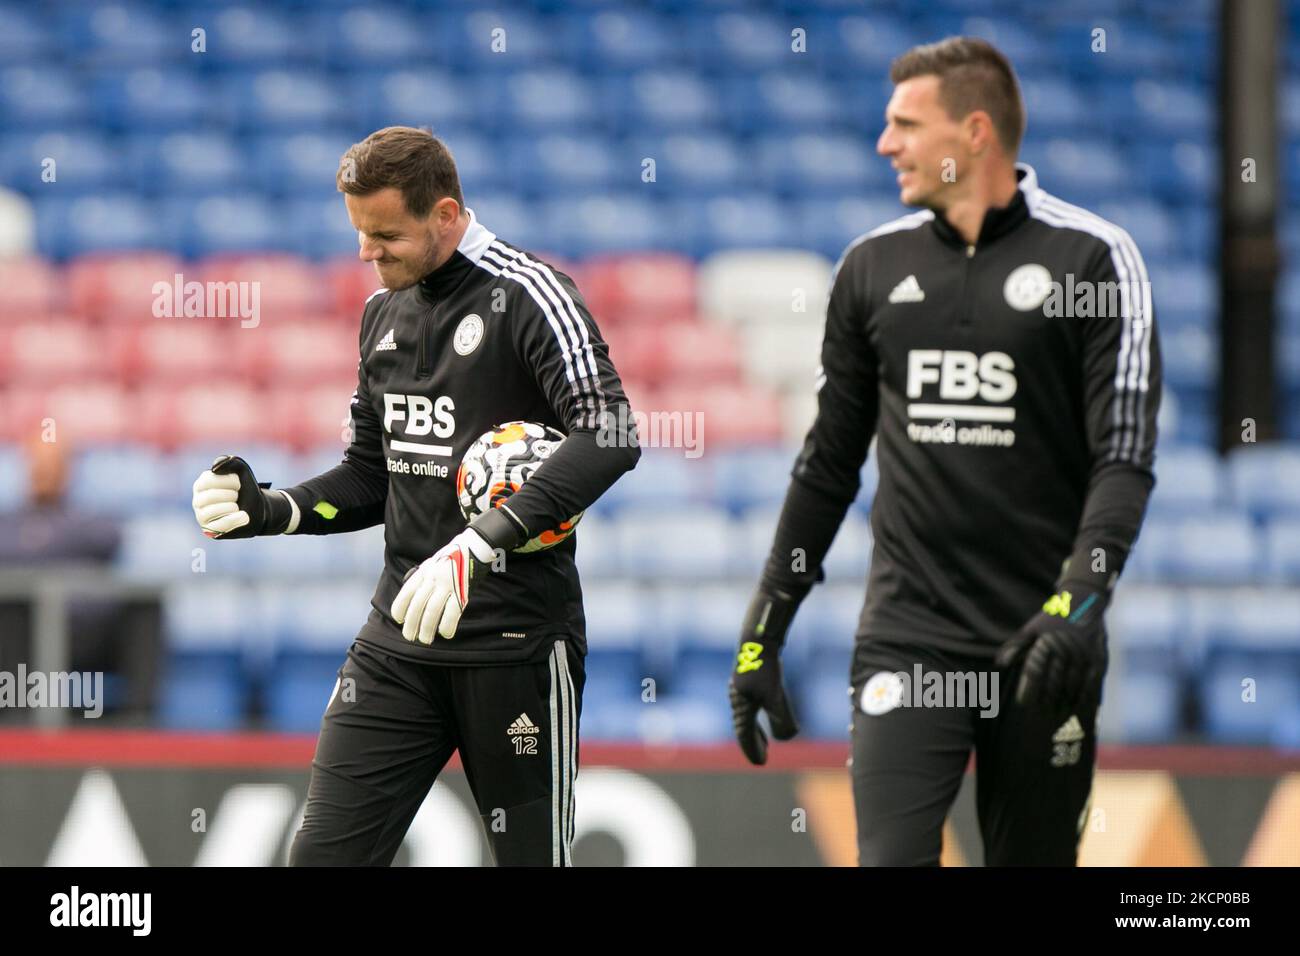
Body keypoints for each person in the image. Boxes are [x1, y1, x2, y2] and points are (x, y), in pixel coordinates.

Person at [728, 37, 1161, 866]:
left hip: (1043, 639)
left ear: (974, 133)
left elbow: (1125, 457)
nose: (885, 143)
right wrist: (763, 633)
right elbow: (826, 466)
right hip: (907, 640)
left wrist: (1077, 606)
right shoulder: (871, 266)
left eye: (904, 124)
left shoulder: (1095, 261)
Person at [191, 127, 639, 866]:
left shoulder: (530, 295)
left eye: (386, 235)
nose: (368, 254)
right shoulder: (382, 316)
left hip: (514, 646)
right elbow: (373, 476)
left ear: (447, 214)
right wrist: (273, 508)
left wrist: (484, 538)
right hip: (397, 644)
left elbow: (613, 434)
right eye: (360, 235)